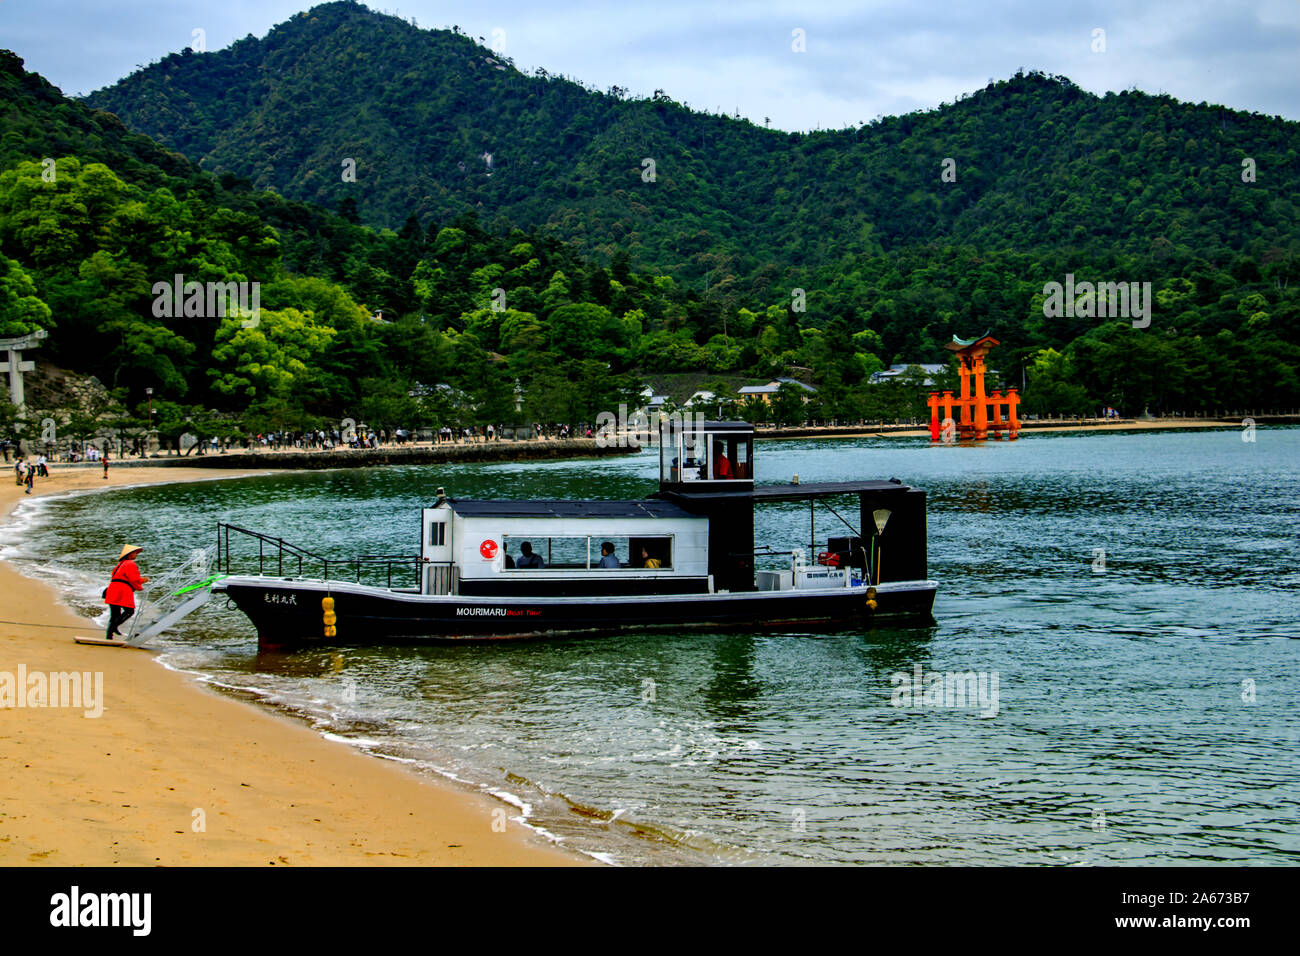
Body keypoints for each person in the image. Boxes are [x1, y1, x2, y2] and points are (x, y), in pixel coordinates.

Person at [104, 544, 150, 640]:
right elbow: (134, 579)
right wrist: (144, 580)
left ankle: (109, 635)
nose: (136, 555)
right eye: (134, 553)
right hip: (122, 589)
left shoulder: (119, 565)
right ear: (129, 555)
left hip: (112, 588)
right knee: (129, 611)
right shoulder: (130, 564)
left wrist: (139, 586)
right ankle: (112, 628)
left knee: (115, 613)